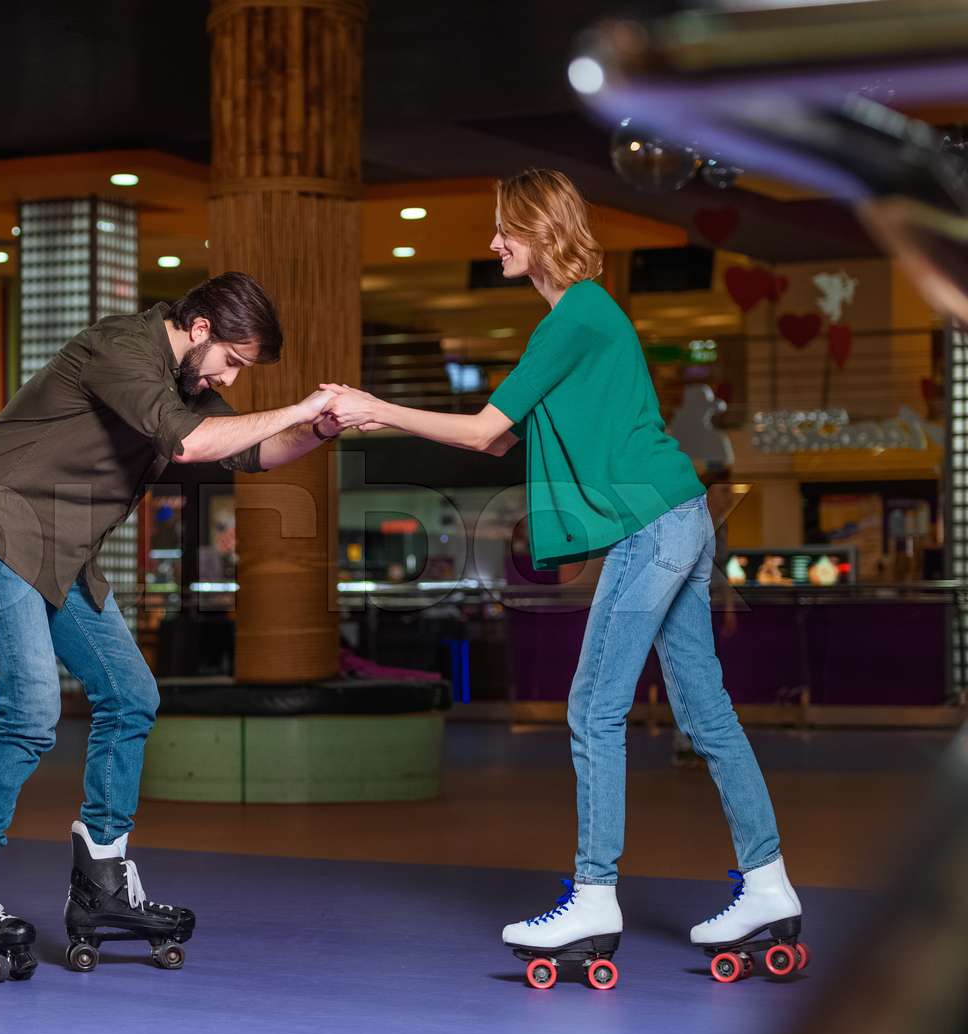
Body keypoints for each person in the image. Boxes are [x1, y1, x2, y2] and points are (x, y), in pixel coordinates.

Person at [319, 170, 802, 984]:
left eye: (505, 228)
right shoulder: (577, 321)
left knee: (592, 706)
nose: (494, 243)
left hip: (653, 525)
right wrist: (382, 413)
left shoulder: (574, 315)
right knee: (702, 708)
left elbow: (480, 433)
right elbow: (503, 440)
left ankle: (594, 894)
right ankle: (768, 883)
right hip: (678, 515)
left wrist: (376, 409)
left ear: (541, 230)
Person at [0, 271, 344, 980]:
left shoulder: (187, 383)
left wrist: (313, 432)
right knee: (30, 711)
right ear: (201, 328)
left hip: (61, 551)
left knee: (131, 696)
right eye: (233, 360)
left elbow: (244, 451)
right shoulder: (121, 349)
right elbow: (190, 446)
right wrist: (298, 405)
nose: (230, 376)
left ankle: (101, 886)